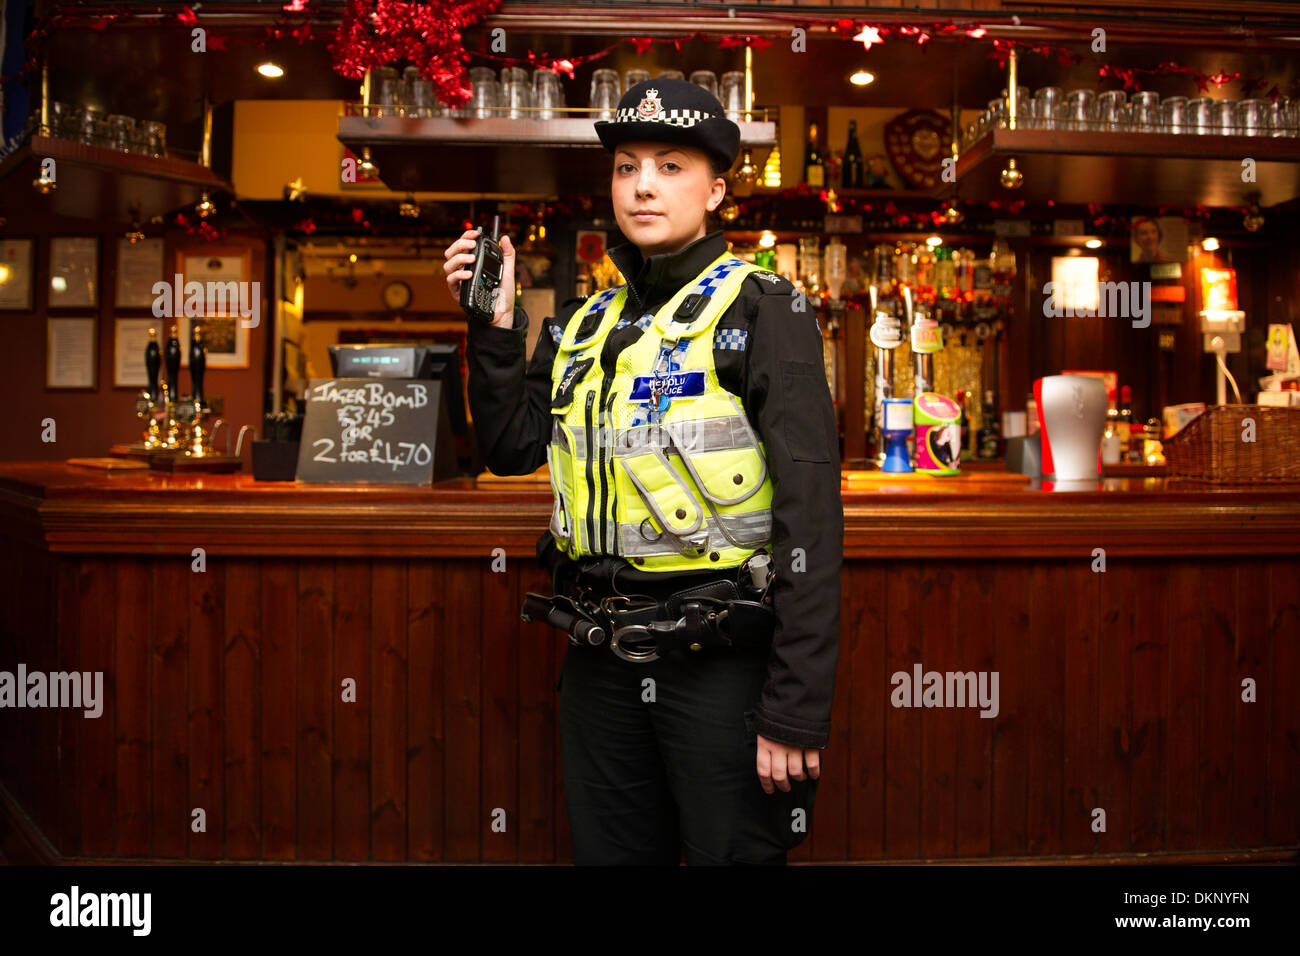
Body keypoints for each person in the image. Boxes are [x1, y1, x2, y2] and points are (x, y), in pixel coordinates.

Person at [443, 78, 843, 865]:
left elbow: (812, 521)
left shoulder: (765, 310)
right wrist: (494, 327)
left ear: (717, 190)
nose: (644, 185)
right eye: (627, 168)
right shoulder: (584, 323)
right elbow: (511, 449)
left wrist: (795, 709)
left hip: (720, 663)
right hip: (597, 661)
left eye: (669, 166)